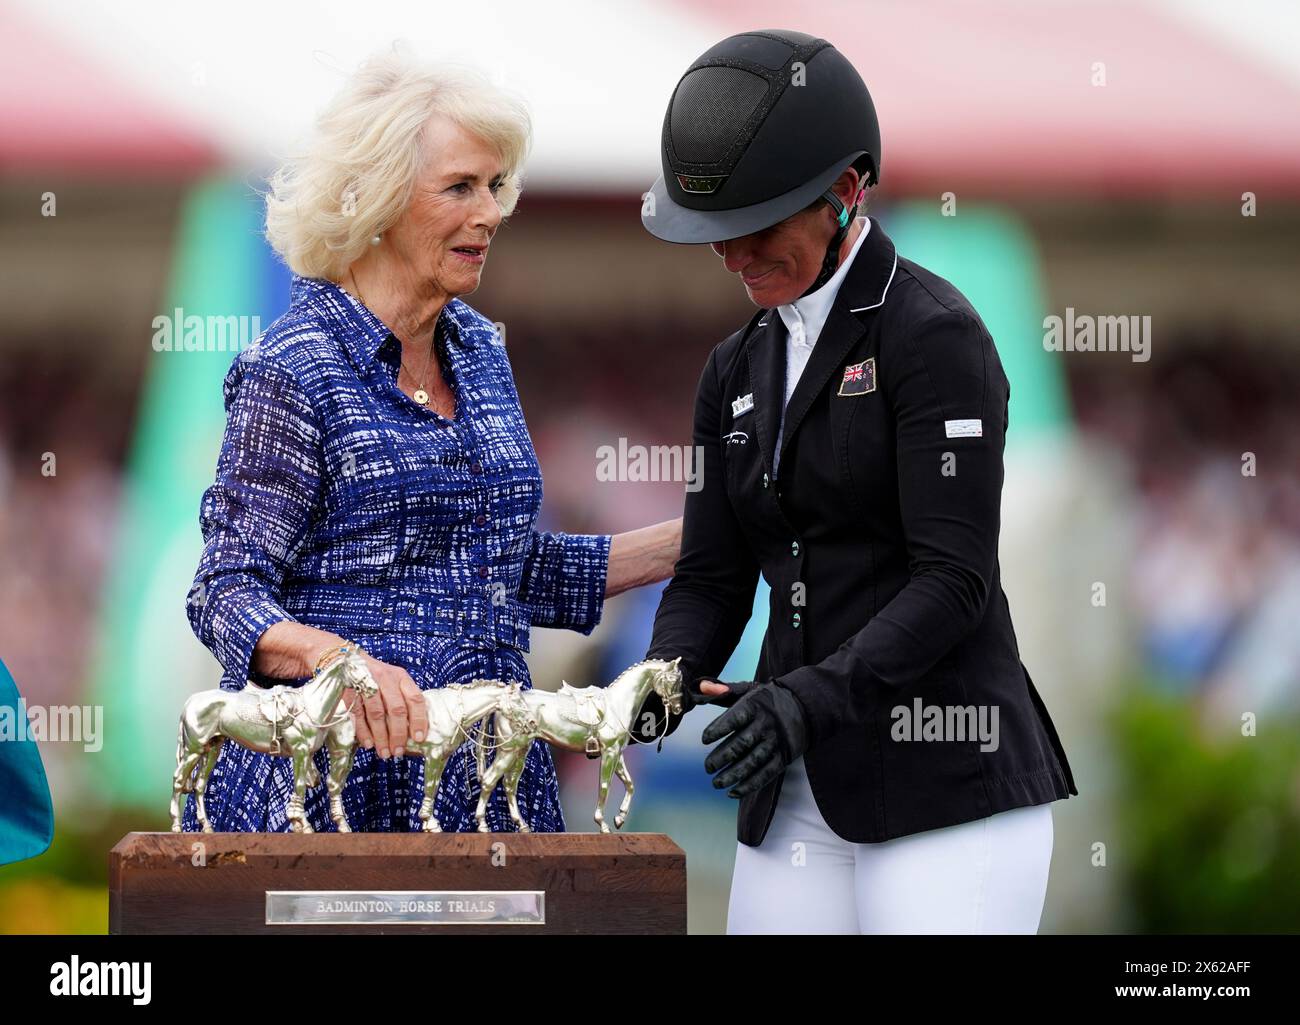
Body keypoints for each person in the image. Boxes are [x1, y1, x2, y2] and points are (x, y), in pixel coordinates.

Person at [635, 29, 1077, 932]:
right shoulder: (732, 367)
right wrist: (663, 677)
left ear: (843, 194)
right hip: (796, 786)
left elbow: (954, 579)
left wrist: (804, 700)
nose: (732, 257)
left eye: (755, 228)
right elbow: (713, 577)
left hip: (945, 783)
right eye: (716, 235)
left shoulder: (933, 336)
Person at [182, 47, 681, 833]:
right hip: (335, 787)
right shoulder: (292, 367)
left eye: (495, 186)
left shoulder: (482, 350)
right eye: (459, 187)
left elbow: (512, 568)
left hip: (483, 779)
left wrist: (703, 534)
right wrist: (341, 665)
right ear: (376, 200)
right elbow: (224, 591)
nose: (490, 212)